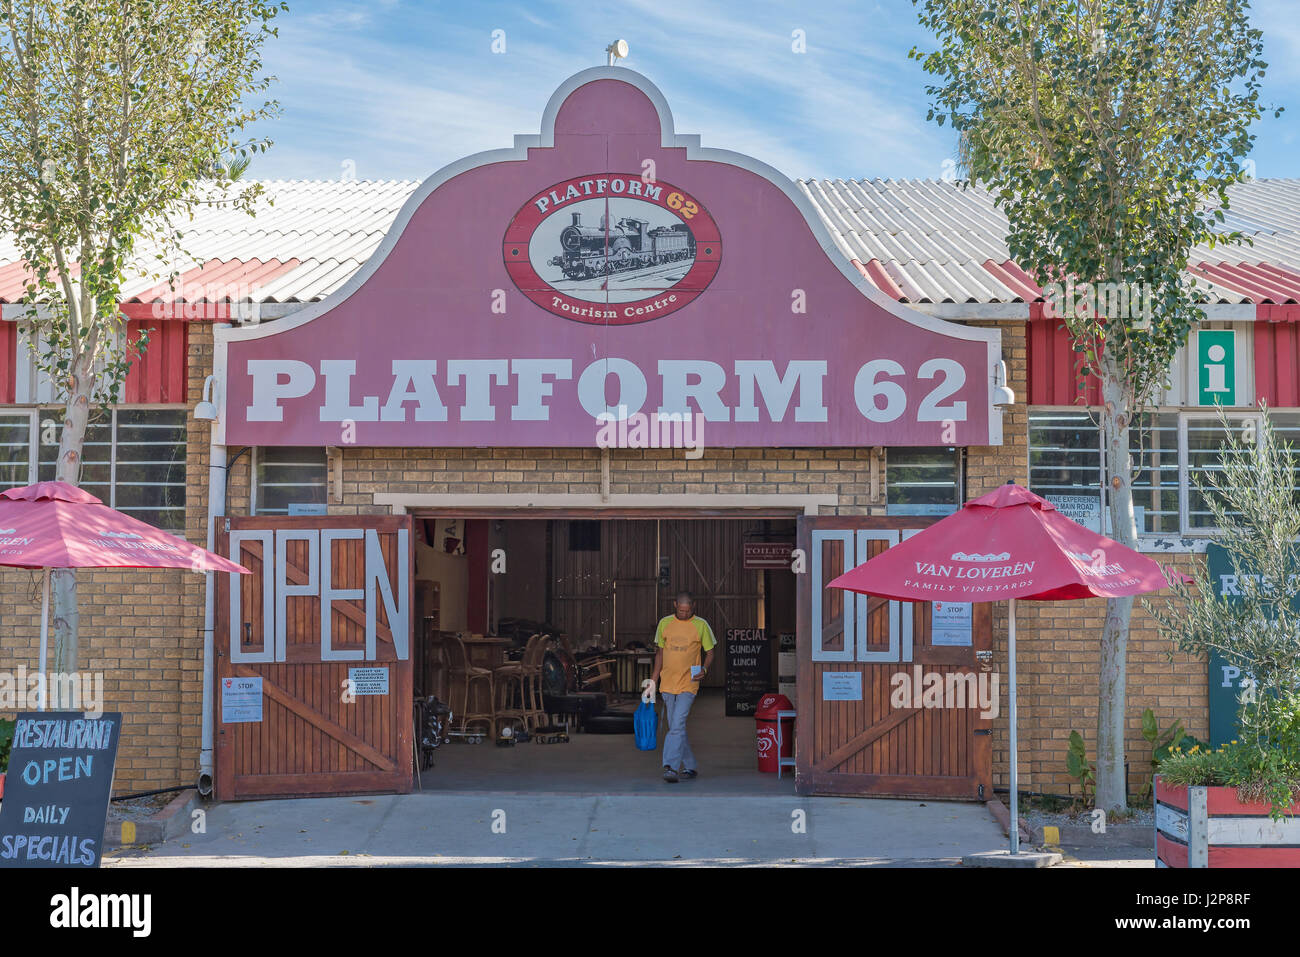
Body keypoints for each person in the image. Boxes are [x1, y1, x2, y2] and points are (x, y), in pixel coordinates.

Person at [649, 590, 716, 783]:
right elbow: (659, 654)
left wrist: (705, 668)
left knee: (677, 724)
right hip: (667, 683)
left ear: (692, 607)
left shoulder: (701, 625)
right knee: (676, 726)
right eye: (681, 610)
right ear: (675, 606)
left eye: (687, 611)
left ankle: (670, 767)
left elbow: (710, 653)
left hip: (689, 682)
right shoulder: (664, 623)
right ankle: (691, 766)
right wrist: (653, 680)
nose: (684, 614)